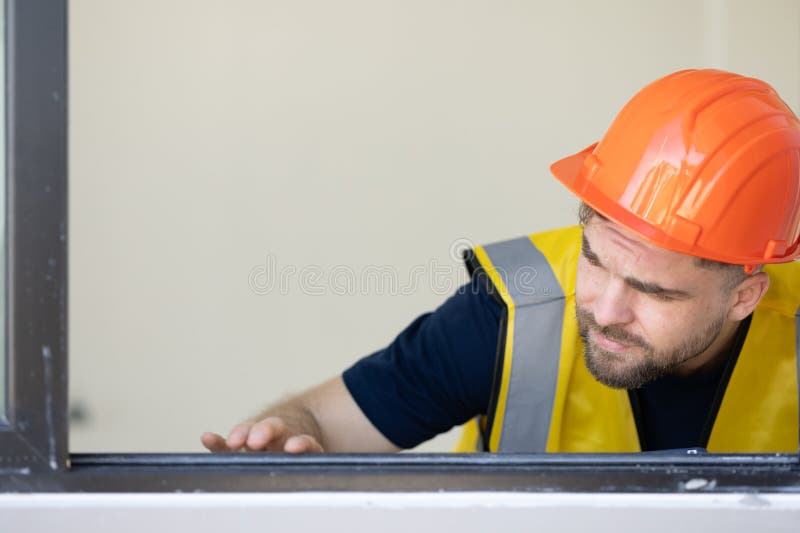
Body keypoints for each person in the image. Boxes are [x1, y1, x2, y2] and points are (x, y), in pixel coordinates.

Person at [202, 68, 800, 454]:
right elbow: (320, 421)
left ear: (745, 295)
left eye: (655, 291)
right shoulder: (512, 308)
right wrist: (287, 439)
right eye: (594, 260)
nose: (606, 309)